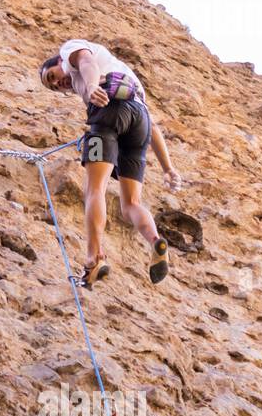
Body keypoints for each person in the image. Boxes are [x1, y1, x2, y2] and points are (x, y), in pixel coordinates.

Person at [38, 38, 182, 287]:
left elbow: (85, 61)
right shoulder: (124, 73)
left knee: (95, 189)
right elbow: (152, 126)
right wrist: (168, 168)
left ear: (60, 62)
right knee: (131, 204)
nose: (57, 84)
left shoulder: (70, 52)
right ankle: (155, 240)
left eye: (52, 76)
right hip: (140, 122)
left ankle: (94, 258)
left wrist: (93, 85)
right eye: (54, 88)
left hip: (107, 112)